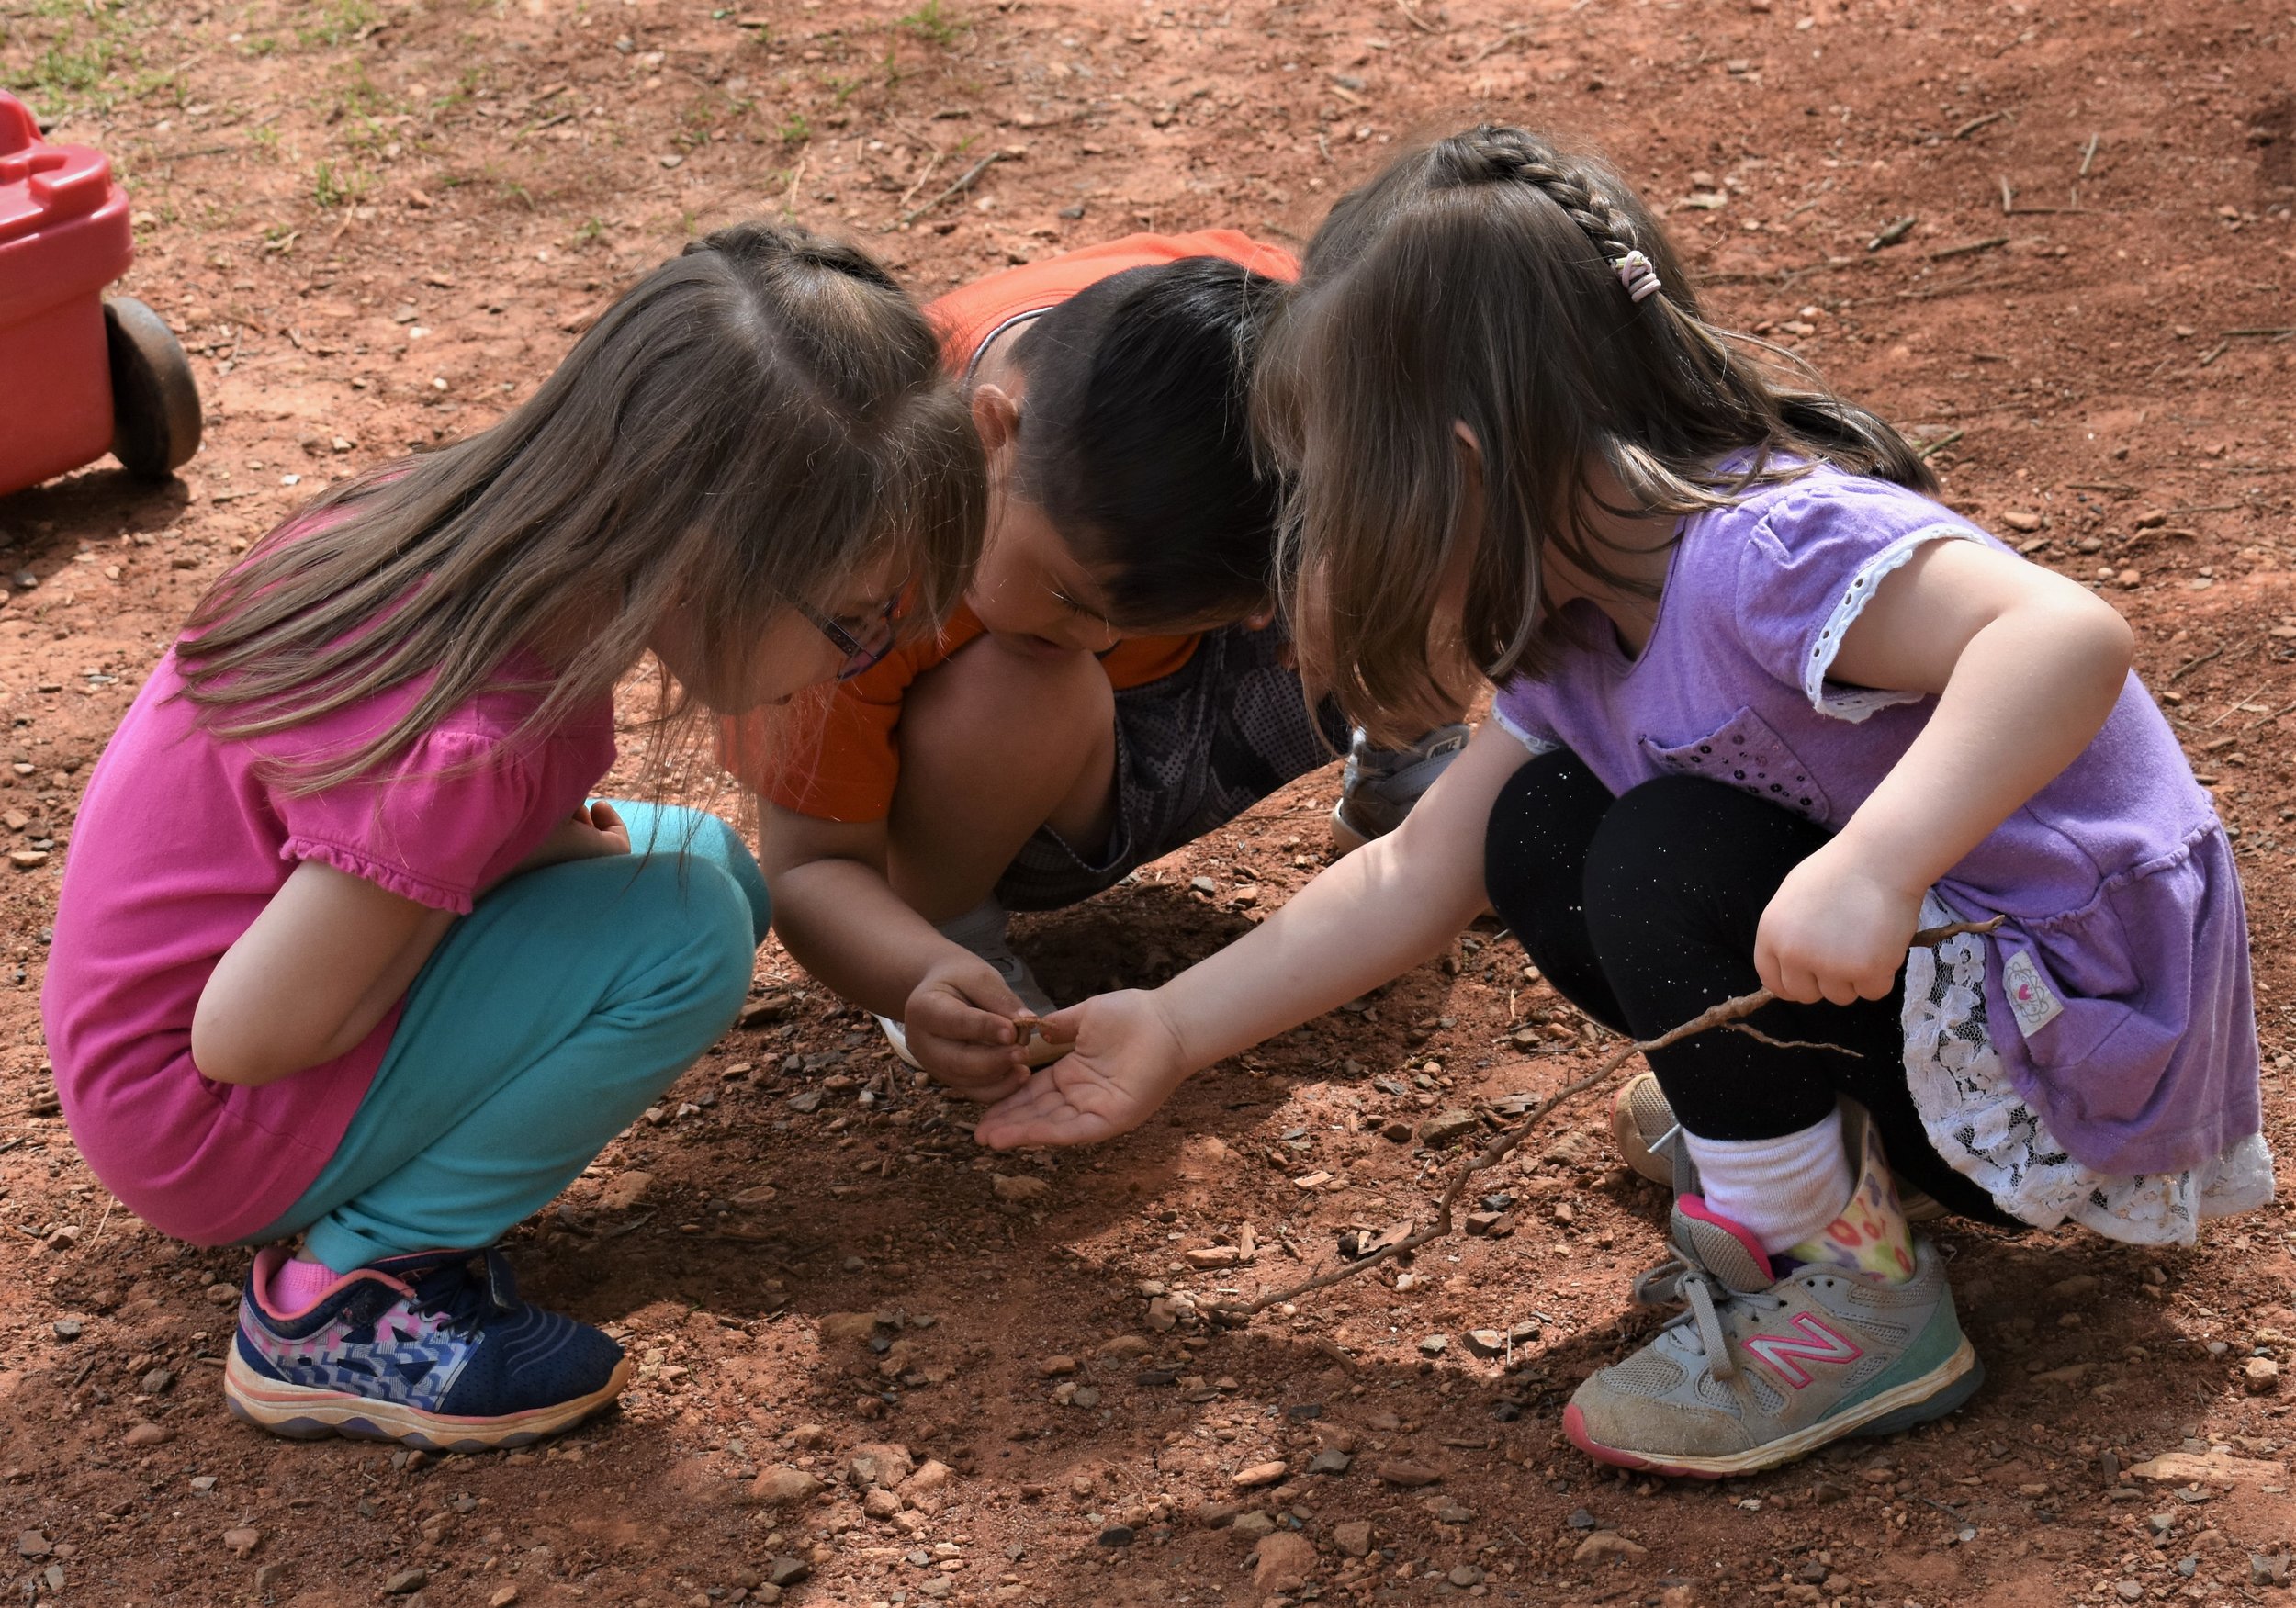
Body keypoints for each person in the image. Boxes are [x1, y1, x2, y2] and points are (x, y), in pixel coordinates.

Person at [974, 127, 2271, 1478]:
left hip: (2078, 1028)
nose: (1329, 518)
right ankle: (1807, 1143)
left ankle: (1842, 1289)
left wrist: (1881, 860)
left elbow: (2063, 637)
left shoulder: (1762, 548)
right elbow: (1422, 866)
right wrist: (1173, 1029)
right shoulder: (1575, 616)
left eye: (1345, 475)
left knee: (1664, 851)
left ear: (1460, 461)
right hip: (1938, 989)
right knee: (1536, 827)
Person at [42, 223, 984, 1451]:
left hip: (166, 1014)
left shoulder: (451, 535)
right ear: (704, 557)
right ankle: (347, 1299)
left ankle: (358, 1206)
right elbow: (244, 1031)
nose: (859, 658)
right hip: (193, 1109)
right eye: (851, 620)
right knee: (687, 928)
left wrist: (471, 866)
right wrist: (436, 885)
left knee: (703, 864)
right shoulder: (479, 736)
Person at [736, 232, 1465, 1097]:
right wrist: (911, 970)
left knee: (1426, 500)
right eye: (1078, 599)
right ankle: (953, 938)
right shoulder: (857, 535)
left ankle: (1403, 760)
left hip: (1252, 655)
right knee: (1025, 677)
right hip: (1003, 791)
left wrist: (1340, 570)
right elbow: (810, 865)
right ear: (992, 436)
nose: (1103, 644)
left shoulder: (1285, 342)